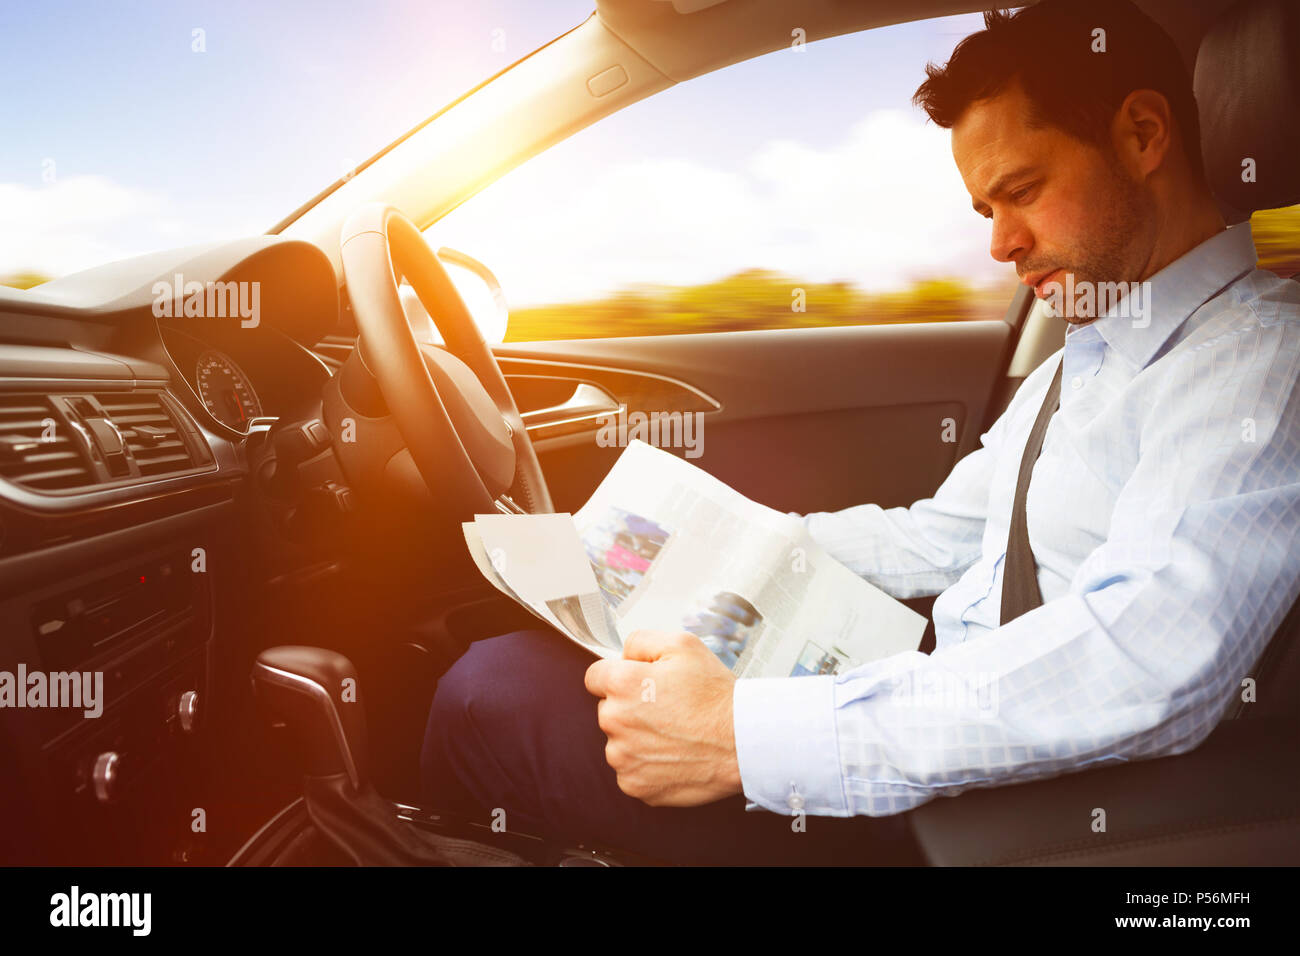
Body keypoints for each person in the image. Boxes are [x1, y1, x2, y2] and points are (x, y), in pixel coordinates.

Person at [420, 0, 1300, 864]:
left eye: (1020, 192)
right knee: (520, 662)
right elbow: (943, 536)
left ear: (1144, 137)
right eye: (984, 211)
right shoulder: (1094, 352)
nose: (1000, 244)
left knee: (488, 695)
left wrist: (738, 736)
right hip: (935, 709)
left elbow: (1147, 660)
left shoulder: (1257, 364)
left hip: (1006, 808)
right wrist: (726, 550)